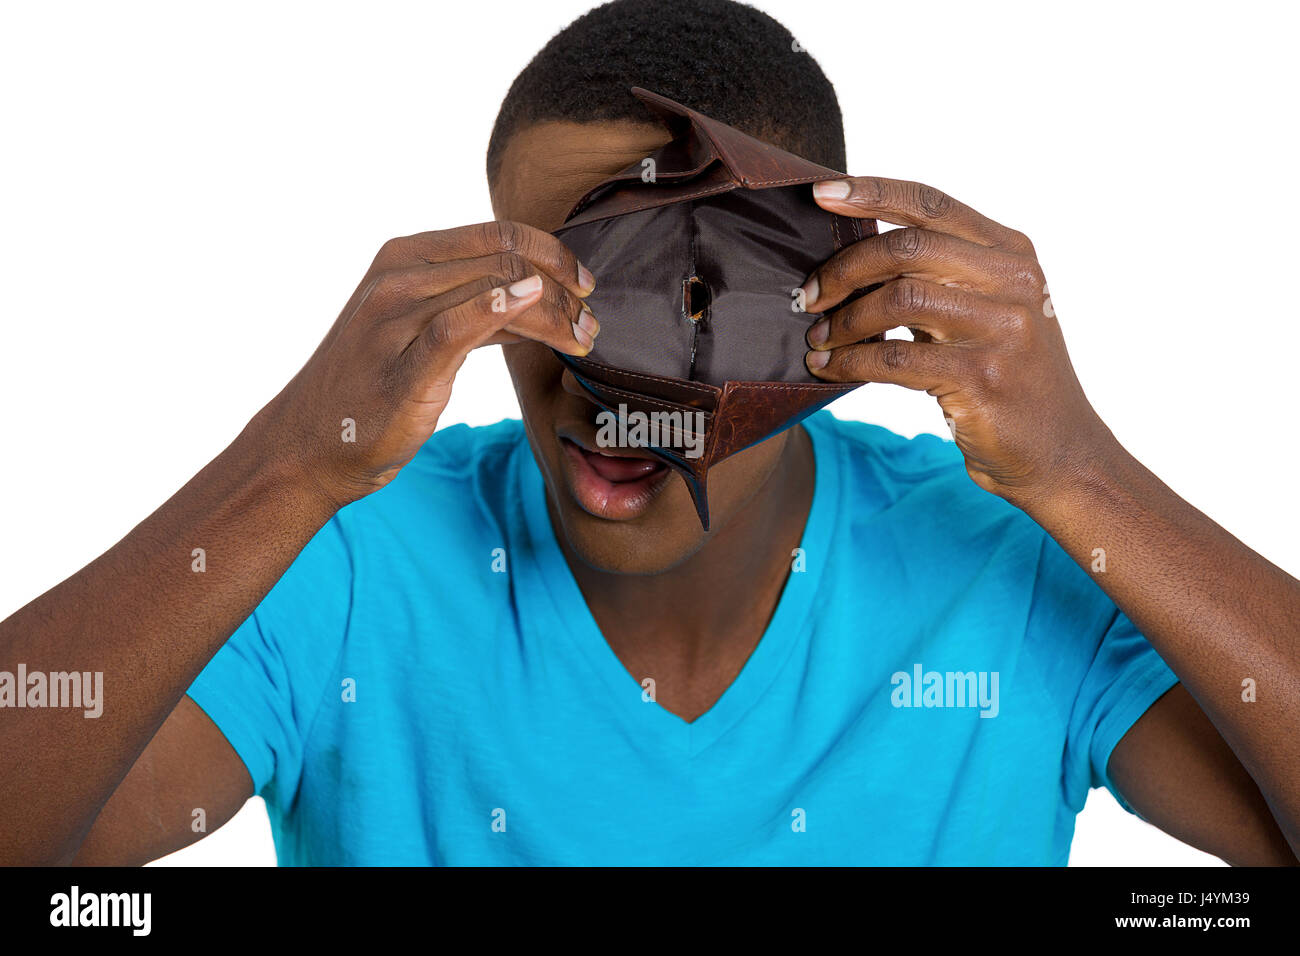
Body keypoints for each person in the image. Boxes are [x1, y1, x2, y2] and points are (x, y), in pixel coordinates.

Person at [1, 0, 1296, 866]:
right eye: (547, 291)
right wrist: (288, 458)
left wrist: (1086, 475)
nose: (595, 367)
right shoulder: (349, 568)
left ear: (823, 307)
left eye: (681, 298)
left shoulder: (1005, 577)